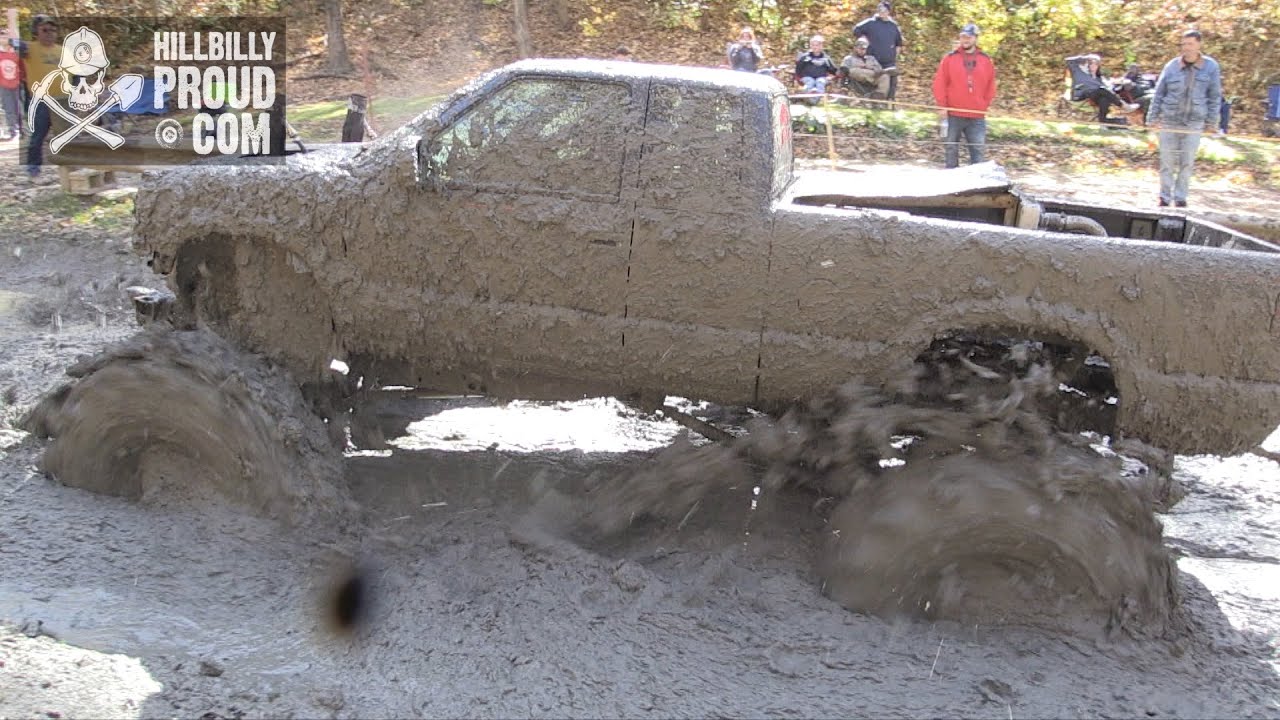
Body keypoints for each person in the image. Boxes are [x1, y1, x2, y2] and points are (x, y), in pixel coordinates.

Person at [1147, 29, 1222, 208]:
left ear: (1198, 45)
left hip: (1194, 121)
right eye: (1183, 44)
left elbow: (1214, 95)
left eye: (1190, 44)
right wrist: (1152, 118)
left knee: (1187, 162)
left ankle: (1180, 197)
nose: (1186, 48)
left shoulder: (1211, 66)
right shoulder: (1171, 66)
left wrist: (1212, 122)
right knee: (1166, 161)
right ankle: (1164, 197)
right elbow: (1159, 93)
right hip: (1170, 120)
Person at [931, 23, 996, 168]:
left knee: (977, 150)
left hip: (977, 115)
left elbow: (991, 86)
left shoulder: (985, 60)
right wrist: (941, 105)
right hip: (953, 113)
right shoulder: (949, 58)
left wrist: (983, 105)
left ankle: (977, 181)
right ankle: (952, 180)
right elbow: (939, 83)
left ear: (975, 39)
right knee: (951, 148)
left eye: (969, 37)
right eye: (963, 37)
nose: (965, 40)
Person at [21, 14, 62, 177]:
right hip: (41, 101)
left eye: (53, 30)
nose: (50, 33)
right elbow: (9, 45)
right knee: (38, 135)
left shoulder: (62, 50)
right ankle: (33, 167)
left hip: (62, 100)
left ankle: (68, 166)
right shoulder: (29, 49)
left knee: (66, 135)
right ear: (36, 32)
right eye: (45, 30)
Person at [853, 1, 904, 103]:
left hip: (889, 62)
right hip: (873, 60)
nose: (882, 12)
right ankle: (870, 101)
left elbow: (899, 43)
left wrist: (895, 56)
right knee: (873, 79)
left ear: (889, 11)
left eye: (884, 10)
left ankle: (889, 102)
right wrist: (864, 39)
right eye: (880, 9)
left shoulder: (893, 26)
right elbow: (856, 30)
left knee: (892, 79)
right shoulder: (871, 22)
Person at [1066, 53, 1139, 124]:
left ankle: (1103, 122)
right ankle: (1124, 106)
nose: (1093, 65)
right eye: (1091, 63)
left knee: (1104, 99)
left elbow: (1108, 86)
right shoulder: (1079, 72)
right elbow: (1069, 61)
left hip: (1094, 97)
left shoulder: (1099, 78)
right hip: (1080, 95)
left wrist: (1118, 82)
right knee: (1101, 90)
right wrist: (1085, 58)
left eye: (1096, 64)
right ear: (1087, 64)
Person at [0, 28, 21, 140]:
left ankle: (21, 130)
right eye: (2, 37)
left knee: (18, 108)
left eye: (6, 37)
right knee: (8, 108)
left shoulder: (16, 52)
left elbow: (22, 67)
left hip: (17, 85)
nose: (4, 39)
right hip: (3, 85)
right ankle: (13, 131)